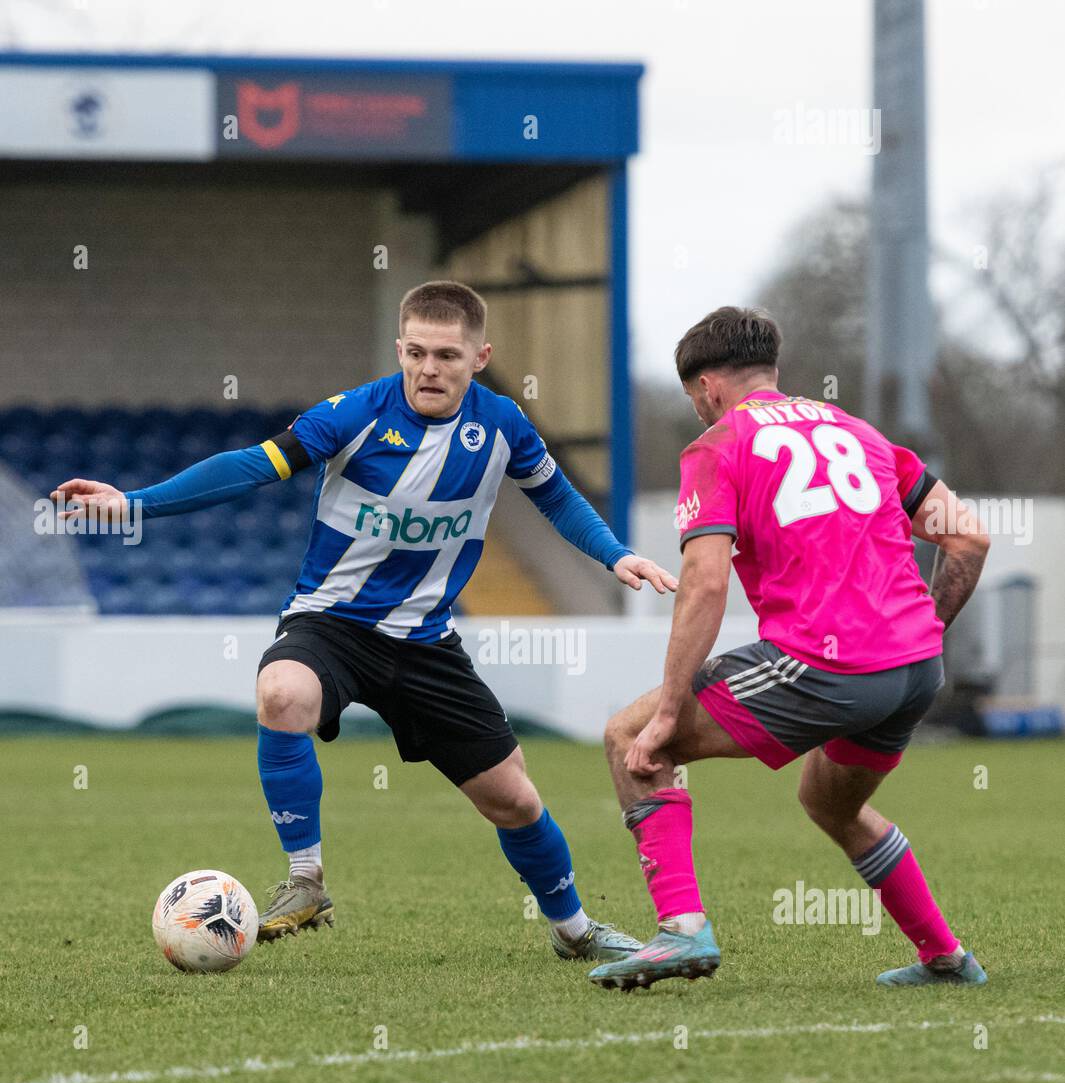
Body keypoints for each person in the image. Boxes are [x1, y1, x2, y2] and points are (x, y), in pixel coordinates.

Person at [52, 280, 677, 962]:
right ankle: (305, 879)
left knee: (515, 801)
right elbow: (251, 467)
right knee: (282, 693)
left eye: (446, 354)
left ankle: (575, 931)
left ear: (479, 356)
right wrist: (135, 503)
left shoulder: (502, 427)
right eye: (415, 352)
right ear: (400, 349)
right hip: (332, 625)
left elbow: (556, 499)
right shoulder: (354, 413)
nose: (428, 368)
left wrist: (613, 554)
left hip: (426, 643)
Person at [589, 306, 990, 992]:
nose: (697, 413)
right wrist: (921, 633)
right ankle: (945, 958)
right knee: (830, 801)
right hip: (915, 670)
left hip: (827, 664)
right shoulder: (860, 433)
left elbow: (705, 582)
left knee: (630, 735)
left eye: (694, 401)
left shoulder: (717, 445)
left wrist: (669, 711)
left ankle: (679, 931)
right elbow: (969, 539)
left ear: (709, 386)